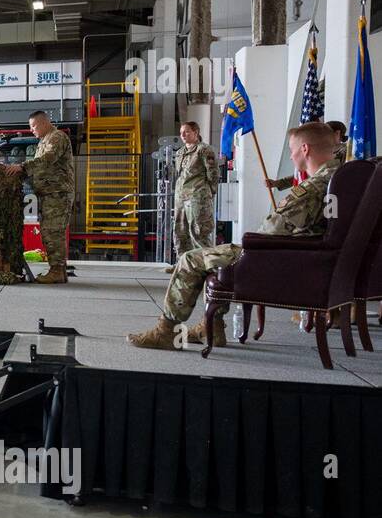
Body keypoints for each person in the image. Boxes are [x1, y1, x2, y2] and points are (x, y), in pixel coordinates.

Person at [129, 121, 342, 350]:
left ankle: (165, 330)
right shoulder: (338, 178)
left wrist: (251, 239)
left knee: (190, 259)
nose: (291, 157)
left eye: (292, 150)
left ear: (305, 149)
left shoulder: (314, 186)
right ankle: (211, 327)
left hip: (277, 257)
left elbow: (272, 230)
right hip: (300, 254)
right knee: (209, 255)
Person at [3, 110, 74, 284]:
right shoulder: (43, 141)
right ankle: (58, 270)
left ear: (43, 123)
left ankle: (57, 271)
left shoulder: (56, 137)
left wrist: (23, 167)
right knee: (49, 231)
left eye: (33, 126)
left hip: (57, 193)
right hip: (49, 194)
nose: (32, 130)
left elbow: (48, 159)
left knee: (53, 231)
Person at [171, 121, 220, 263]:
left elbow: (213, 173)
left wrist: (210, 192)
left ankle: (207, 265)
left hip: (198, 197)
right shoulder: (180, 153)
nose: (183, 135)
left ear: (196, 132)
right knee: (180, 232)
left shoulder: (204, 150)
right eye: (181, 133)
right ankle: (184, 266)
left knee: (198, 232)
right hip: (181, 198)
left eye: (186, 132)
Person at [267, 119, 350, 190]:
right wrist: (278, 183)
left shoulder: (345, 151)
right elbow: (302, 173)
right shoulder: (317, 151)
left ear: (337, 134)